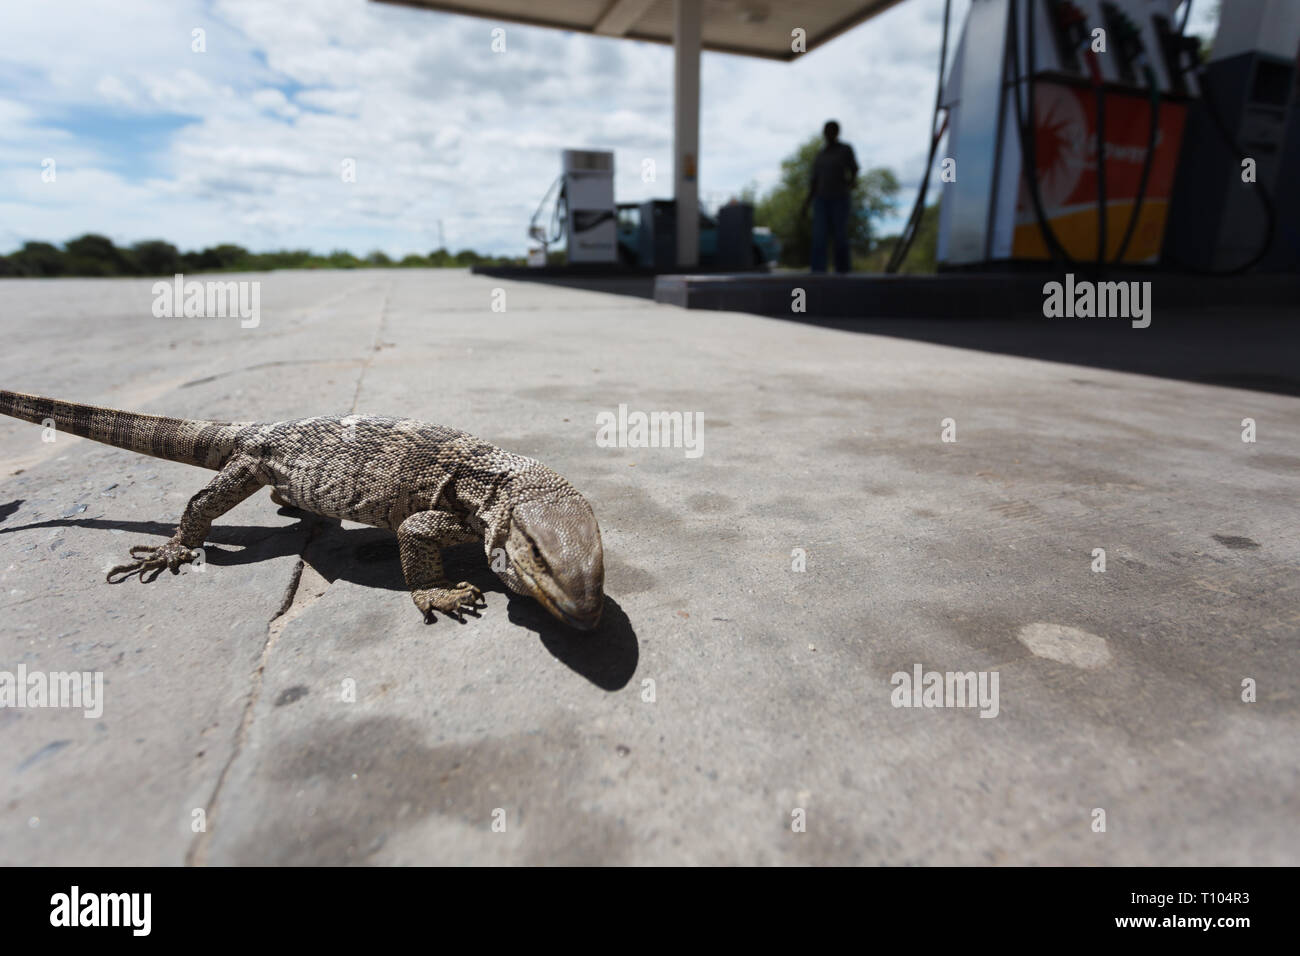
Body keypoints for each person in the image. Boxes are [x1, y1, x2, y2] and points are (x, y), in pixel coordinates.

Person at [802, 120, 859, 274]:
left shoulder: (845, 150)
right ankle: (818, 272)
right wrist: (806, 203)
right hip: (821, 200)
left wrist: (851, 183)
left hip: (840, 198)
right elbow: (814, 181)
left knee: (840, 236)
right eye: (826, 130)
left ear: (837, 132)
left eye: (831, 130)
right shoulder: (820, 155)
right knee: (819, 236)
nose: (828, 133)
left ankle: (843, 272)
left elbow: (854, 169)